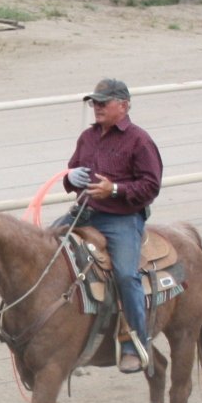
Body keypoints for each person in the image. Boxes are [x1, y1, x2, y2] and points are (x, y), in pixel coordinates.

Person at [62, 77, 164, 374]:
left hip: (122, 218)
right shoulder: (87, 138)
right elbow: (72, 172)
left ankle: (135, 343)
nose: (97, 108)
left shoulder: (139, 140)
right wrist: (71, 177)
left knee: (126, 276)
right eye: (94, 103)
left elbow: (151, 186)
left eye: (103, 103)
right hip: (85, 213)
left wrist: (115, 190)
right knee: (45, 249)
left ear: (124, 105)